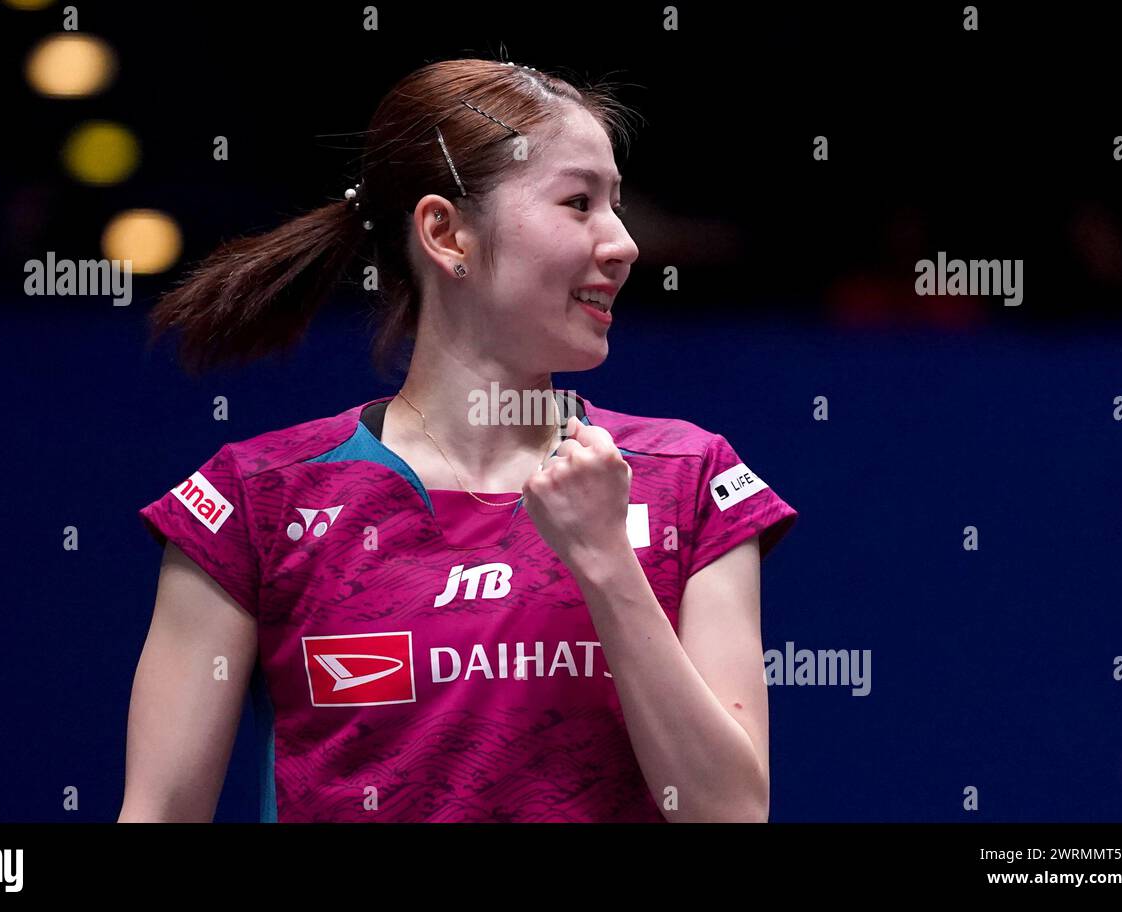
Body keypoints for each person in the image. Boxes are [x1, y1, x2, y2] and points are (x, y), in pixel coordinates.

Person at [118, 58, 797, 823]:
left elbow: (730, 814)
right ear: (446, 232)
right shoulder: (255, 500)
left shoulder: (688, 479)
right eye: (579, 203)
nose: (623, 244)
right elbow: (158, 813)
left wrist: (608, 561)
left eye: (617, 203)